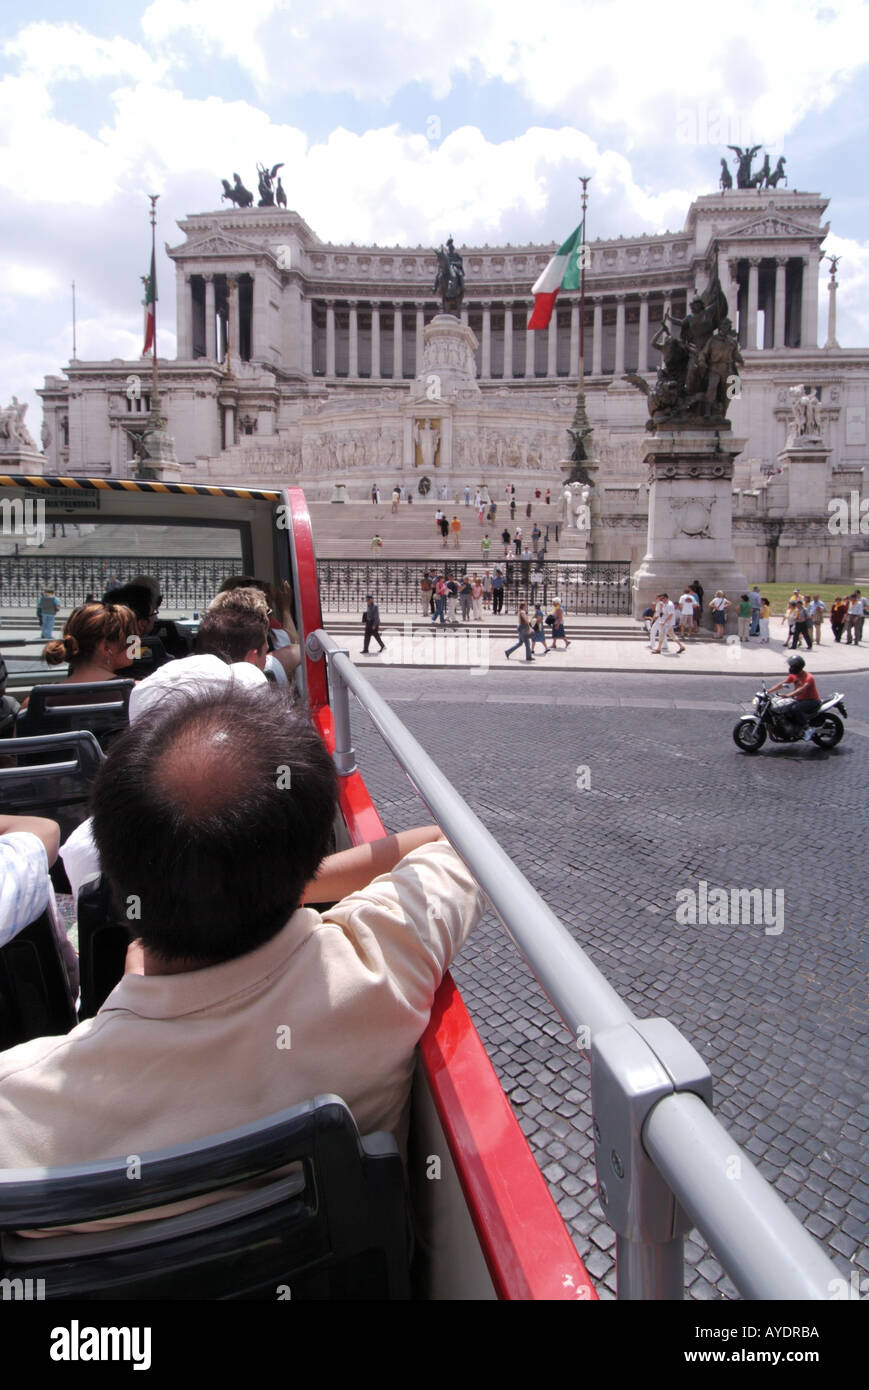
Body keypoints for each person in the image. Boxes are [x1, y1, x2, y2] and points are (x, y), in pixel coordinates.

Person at [0, 686, 486, 1182]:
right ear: (313, 852)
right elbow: (461, 847)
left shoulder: (18, 1107)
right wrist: (275, 885)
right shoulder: (377, 965)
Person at [36, 601, 138, 697]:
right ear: (106, 648)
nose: (138, 642)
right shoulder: (140, 693)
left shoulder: (36, 701)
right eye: (132, 638)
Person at [768, 655, 822, 741]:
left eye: (792, 666)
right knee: (786, 708)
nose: (790, 668)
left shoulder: (809, 678)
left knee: (795, 709)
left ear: (798, 667)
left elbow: (801, 690)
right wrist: (768, 691)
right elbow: (781, 684)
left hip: (812, 701)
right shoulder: (794, 676)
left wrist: (788, 695)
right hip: (799, 699)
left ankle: (807, 729)